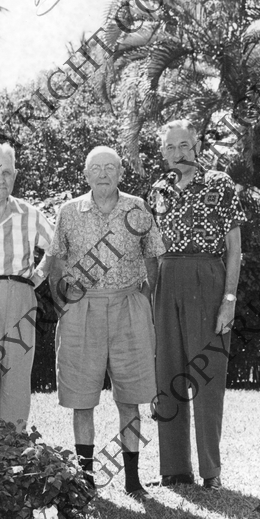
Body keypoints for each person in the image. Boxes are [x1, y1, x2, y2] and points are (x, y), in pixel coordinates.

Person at [41, 146, 165, 499]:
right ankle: (86, 480)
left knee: (130, 397)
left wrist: (144, 293)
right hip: (83, 310)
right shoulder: (69, 211)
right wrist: (63, 303)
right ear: (85, 175)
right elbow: (57, 261)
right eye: (96, 168)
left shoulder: (138, 207)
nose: (103, 174)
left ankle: (132, 479)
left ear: (121, 173)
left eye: (111, 167)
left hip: (128, 307)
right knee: (83, 399)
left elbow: (153, 255)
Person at [148, 119, 245, 490]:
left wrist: (229, 300)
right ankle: (174, 469)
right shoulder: (158, 189)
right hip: (167, 278)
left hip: (208, 277)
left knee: (207, 375)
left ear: (197, 146)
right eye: (171, 148)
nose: (178, 154)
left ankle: (211, 472)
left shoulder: (219, 183)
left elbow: (234, 249)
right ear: (163, 153)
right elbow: (152, 251)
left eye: (185, 146)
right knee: (168, 374)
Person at [0, 141, 54, 430]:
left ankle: (12, 457)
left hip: (21, 299)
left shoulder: (30, 213)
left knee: (16, 378)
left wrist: (38, 277)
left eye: (7, 172)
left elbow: (58, 247)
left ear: (15, 175)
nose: (0, 178)